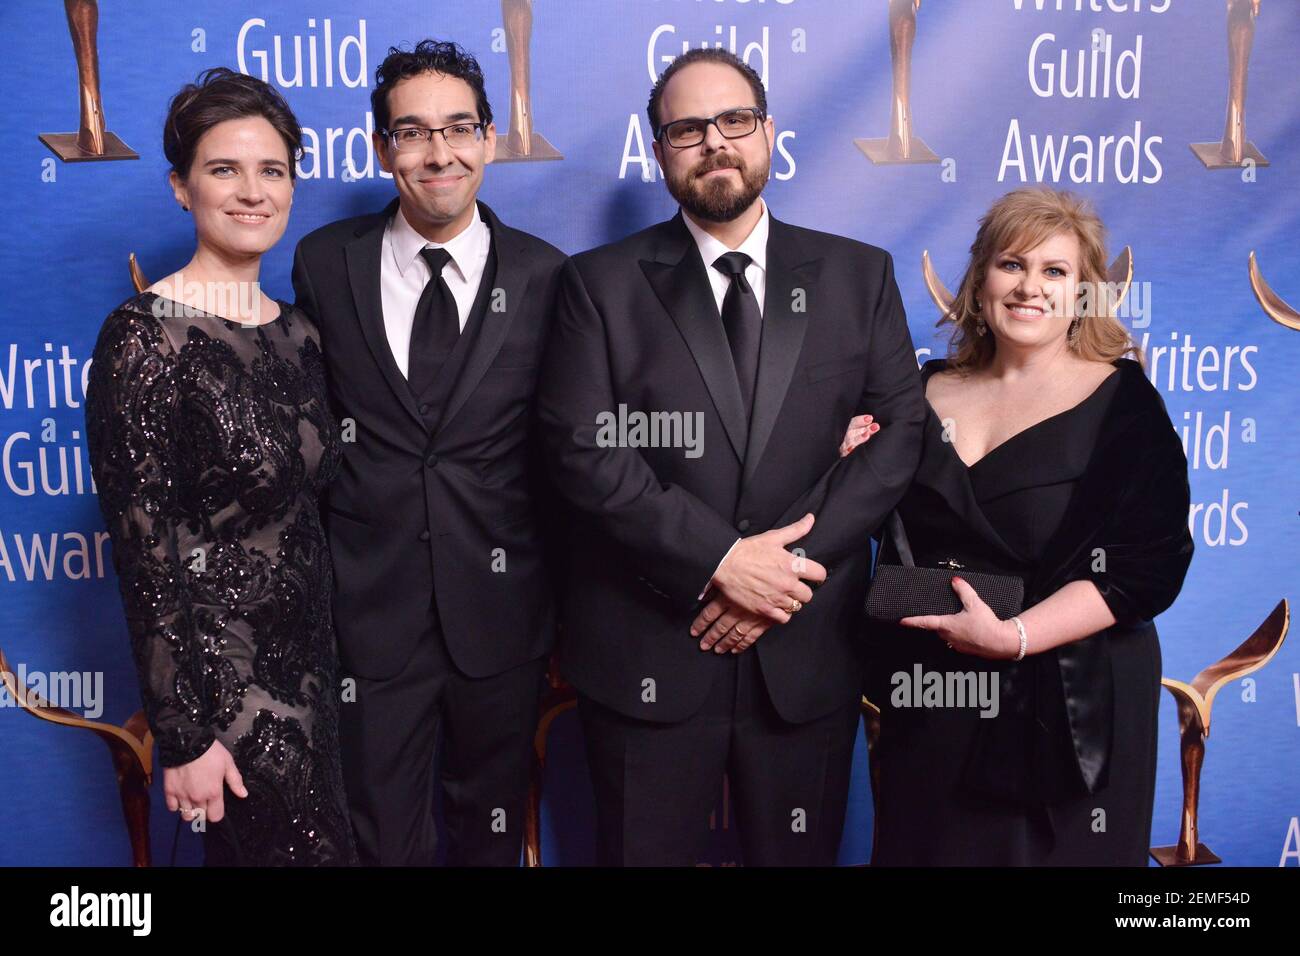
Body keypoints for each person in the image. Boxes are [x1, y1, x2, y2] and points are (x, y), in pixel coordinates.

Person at [536, 48, 926, 866]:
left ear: (769, 133)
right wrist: (717, 560)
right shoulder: (596, 285)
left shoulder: (860, 276)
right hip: (648, 650)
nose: (715, 142)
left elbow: (897, 440)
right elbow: (584, 452)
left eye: (735, 120)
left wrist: (776, 578)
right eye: (687, 128)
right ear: (659, 152)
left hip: (805, 651)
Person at [843, 187, 1194, 865]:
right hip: (938, 691)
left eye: (1054, 271)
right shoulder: (921, 393)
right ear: (980, 282)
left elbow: (1147, 567)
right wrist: (850, 461)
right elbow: (886, 534)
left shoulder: (1124, 401)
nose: (1029, 286)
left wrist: (1017, 638)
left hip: (1069, 699)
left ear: (1083, 293)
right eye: (1011, 265)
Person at [290, 40, 566, 866]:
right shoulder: (324, 263)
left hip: (504, 619)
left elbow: (573, 451)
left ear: (487, 138)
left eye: (458, 129)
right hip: (368, 618)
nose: (438, 153)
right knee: (377, 842)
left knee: (488, 836)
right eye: (412, 133)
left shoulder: (549, 275)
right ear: (382, 149)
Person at [85, 67, 357, 865]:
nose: (251, 191)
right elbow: (145, 558)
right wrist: (182, 737)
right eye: (223, 169)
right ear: (180, 187)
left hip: (318, 688)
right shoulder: (144, 340)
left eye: (271, 170)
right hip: (228, 708)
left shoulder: (300, 333)